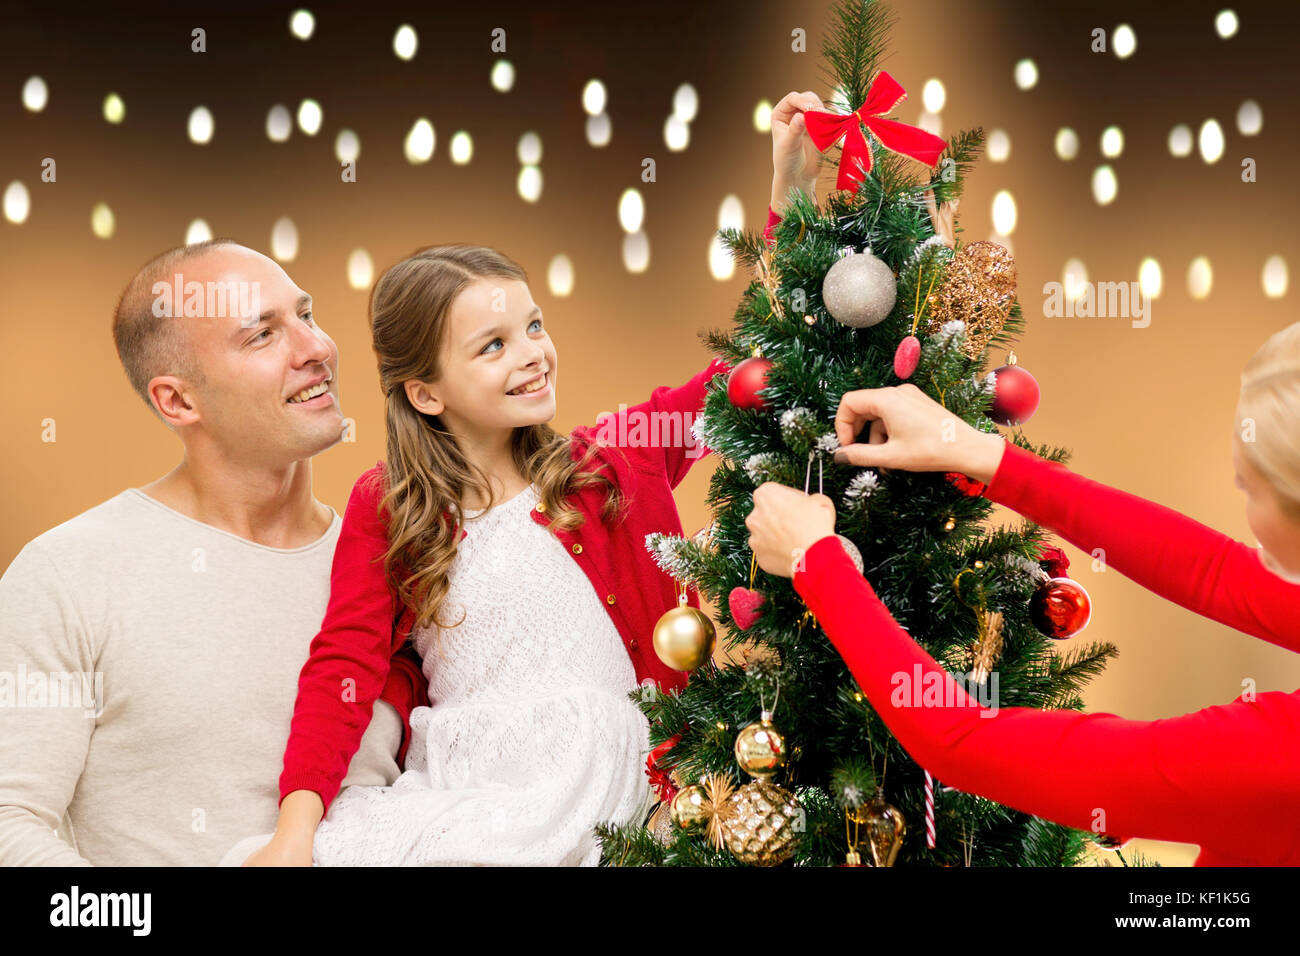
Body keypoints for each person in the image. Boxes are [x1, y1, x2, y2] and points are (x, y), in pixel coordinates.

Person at [233, 90, 828, 867]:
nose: (533, 354)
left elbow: (753, 367)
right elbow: (343, 664)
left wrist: (791, 198)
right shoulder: (391, 507)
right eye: (493, 345)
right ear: (425, 391)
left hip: (618, 779)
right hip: (475, 785)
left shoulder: (614, 462)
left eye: (535, 327)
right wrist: (295, 830)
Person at [743, 321, 1300, 866]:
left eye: (1253, 484)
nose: (1239, 489)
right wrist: (974, 452)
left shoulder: (1273, 764)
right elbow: (1216, 572)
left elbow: (958, 740)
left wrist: (814, 560)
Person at [0, 240, 427, 865]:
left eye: (305, 316)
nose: (316, 349)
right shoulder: (68, 573)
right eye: (261, 335)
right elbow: (10, 825)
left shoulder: (401, 566)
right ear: (178, 401)